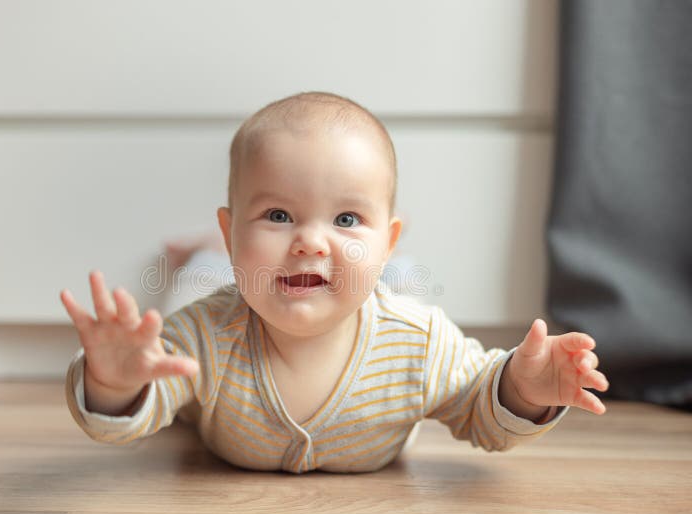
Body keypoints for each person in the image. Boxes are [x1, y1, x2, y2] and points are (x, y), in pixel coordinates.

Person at [59, 92, 609, 473]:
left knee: (396, 282)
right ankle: (204, 249)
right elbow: (138, 409)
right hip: (223, 276)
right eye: (278, 215)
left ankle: (388, 259)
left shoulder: (417, 344)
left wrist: (522, 388)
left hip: (376, 283)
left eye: (345, 218)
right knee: (194, 281)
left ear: (387, 235)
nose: (310, 242)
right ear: (234, 231)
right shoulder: (203, 334)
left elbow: (478, 406)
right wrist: (113, 383)